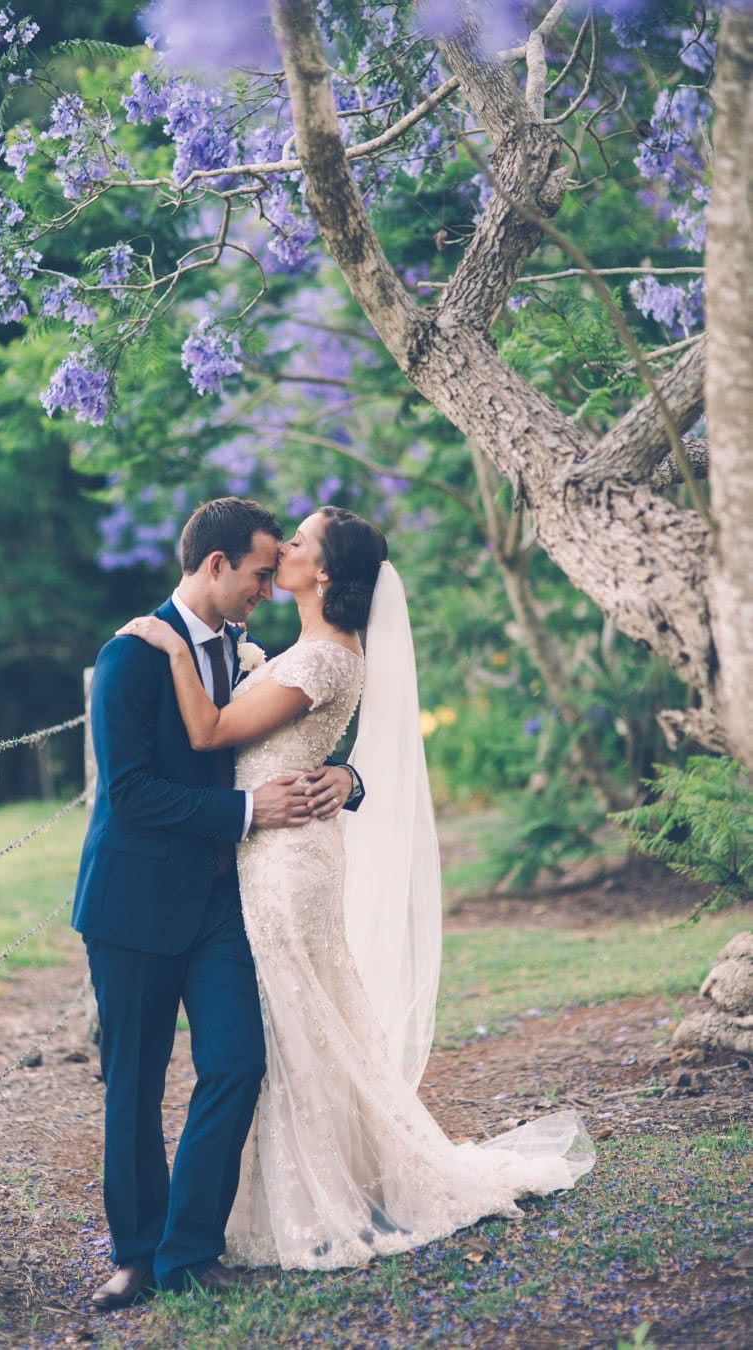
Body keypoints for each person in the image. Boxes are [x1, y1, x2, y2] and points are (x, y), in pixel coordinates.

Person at [119, 505, 595, 1273]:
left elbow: (210, 733)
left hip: (285, 860)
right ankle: (307, 1182)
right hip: (271, 850)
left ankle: (324, 1188)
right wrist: (338, 768)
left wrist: (173, 646)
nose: (281, 557)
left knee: (295, 1020)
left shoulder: (324, 660)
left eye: (297, 547)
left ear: (326, 574)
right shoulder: (306, 651)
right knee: (297, 1020)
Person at [73, 497, 364, 1308]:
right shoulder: (131, 655)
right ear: (216, 566)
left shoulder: (248, 653)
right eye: (261, 573)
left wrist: (349, 778)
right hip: (132, 905)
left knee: (236, 1062)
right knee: (132, 1085)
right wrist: (245, 814)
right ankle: (135, 1254)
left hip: (222, 906)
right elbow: (129, 795)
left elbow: (314, 725)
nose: (267, 588)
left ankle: (188, 1250)